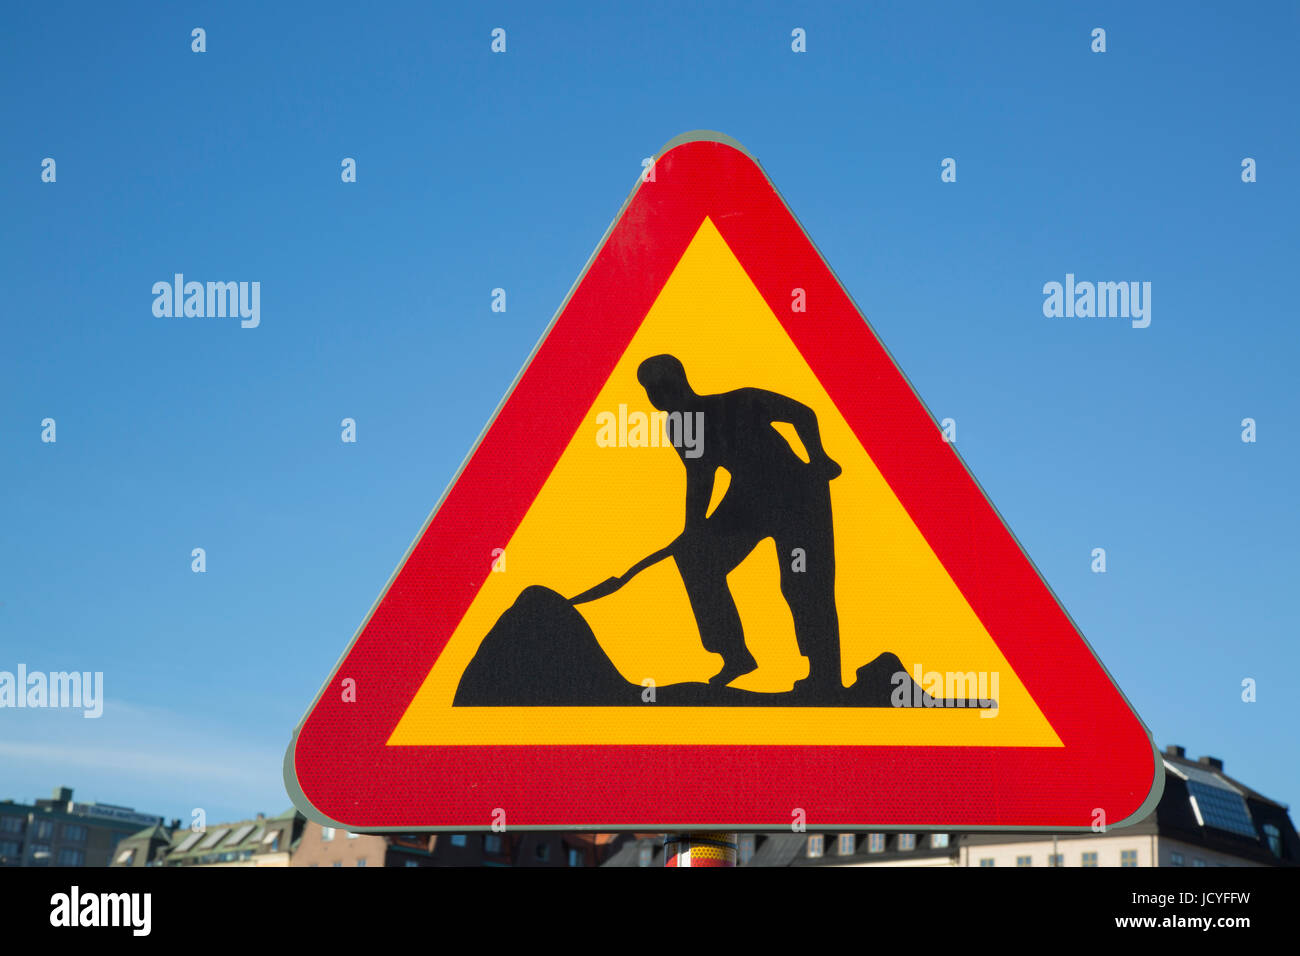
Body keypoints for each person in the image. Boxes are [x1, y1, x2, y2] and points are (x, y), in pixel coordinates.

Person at [636, 354, 843, 693]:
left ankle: (825, 675)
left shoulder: (742, 401)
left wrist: (818, 458)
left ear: (681, 382)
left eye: (663, 387)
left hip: (797, 492)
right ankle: (734, 654)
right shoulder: (679, 426)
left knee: (802, 583)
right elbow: (700, 477)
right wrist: (693, 530)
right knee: (696, 559)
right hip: (748, 500)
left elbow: (803, 414)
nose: (659, 397)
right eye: (652, 391)